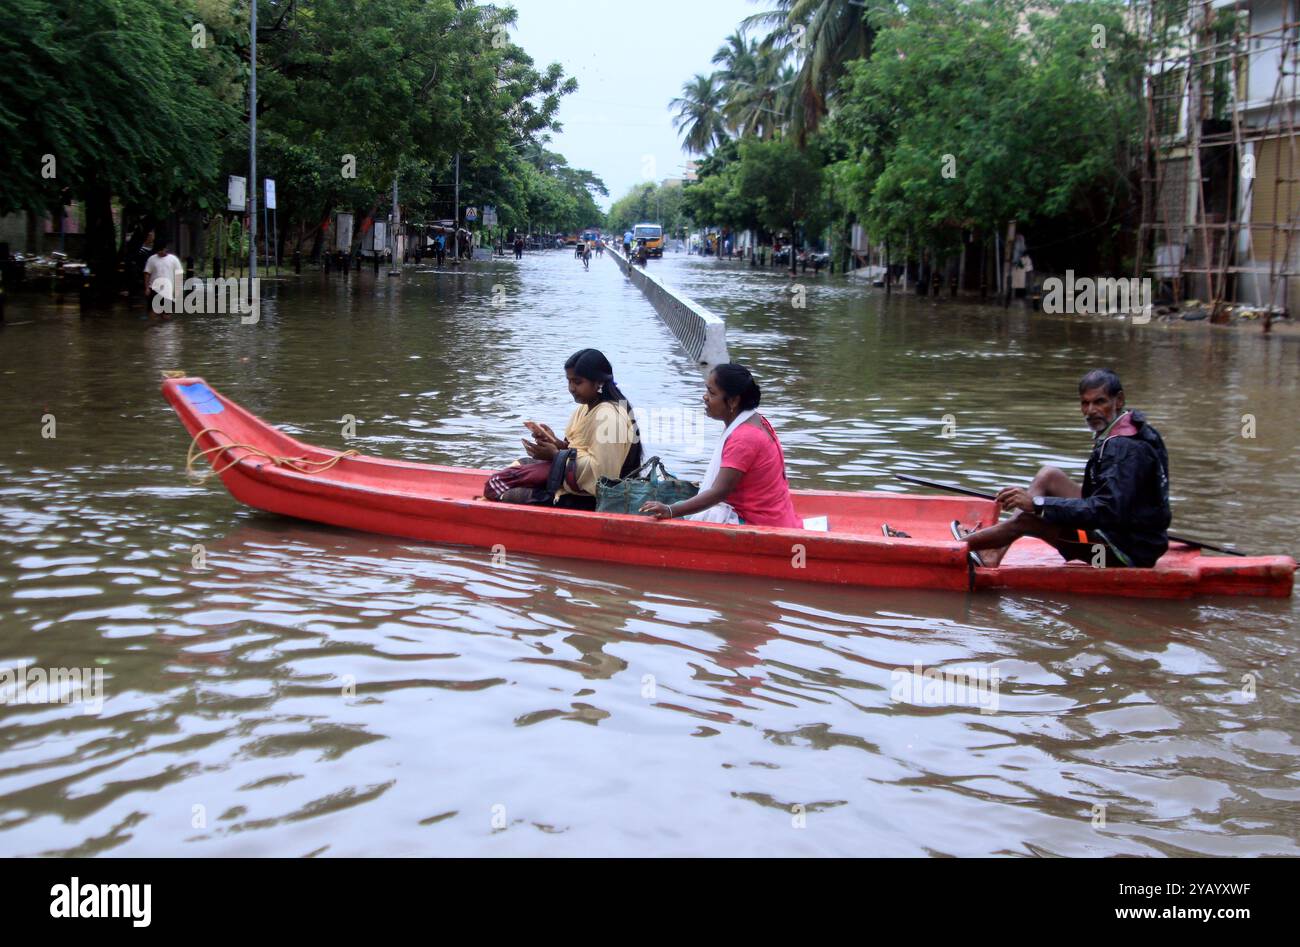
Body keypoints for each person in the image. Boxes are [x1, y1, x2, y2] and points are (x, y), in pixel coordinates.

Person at [953, 368, 1170, 569]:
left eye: (1099, 402)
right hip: (1129, 532)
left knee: (1028, 520)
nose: (1091, 411)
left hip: (1120, 553)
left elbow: (1106, 511)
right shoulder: (1133, 427)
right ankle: (993, 551)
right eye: (1085, 403)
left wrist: (1038, 504)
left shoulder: (1124, 448)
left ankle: (953, 546)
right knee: (1049, 476)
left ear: (1119, 400)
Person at [641, 363, 800, 528]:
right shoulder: (755, 420)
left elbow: (719, 492)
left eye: (711, 392)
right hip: (776, 516)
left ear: (733, 401)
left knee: (706, 511)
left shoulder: (744, 438)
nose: (705, 397)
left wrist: (670, 510)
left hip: (760, 523)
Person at [489, 349, 642, 510]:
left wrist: (555, 455)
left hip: (597, 499)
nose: (571, 388)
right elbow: (578, 450)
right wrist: (554, 442)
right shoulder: (587, 407)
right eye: (569, 381)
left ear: (598, 383)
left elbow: (603, 475)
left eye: (577, 382)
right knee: (520, 465)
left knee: (510, 494)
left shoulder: (609, 416)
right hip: (577, 485)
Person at [143, 236, 184, 317]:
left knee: (166, 315)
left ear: (166, 249)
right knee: (152, 313)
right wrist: (147, 288)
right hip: (154, 289)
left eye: (162, 250)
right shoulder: (152, 259)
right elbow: (147, 273)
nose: (160, 252)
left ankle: (166, 329)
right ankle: (152, 328)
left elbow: (179, 275)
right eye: (158, 250)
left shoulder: (174, 259)